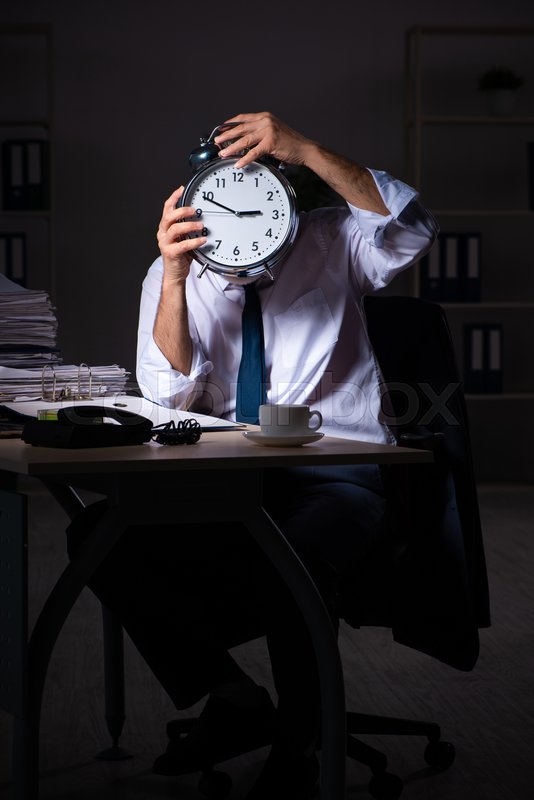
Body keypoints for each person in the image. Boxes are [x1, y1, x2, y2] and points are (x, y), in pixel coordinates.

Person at [68, 112, 438, 800]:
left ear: (287, 190)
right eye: (223, 192)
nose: (240, 206)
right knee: (97, 536)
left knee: (285, 556)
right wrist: (176, 278)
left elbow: (411, 225)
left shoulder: (337, 242)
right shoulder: (170, 270)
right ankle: (234, 698)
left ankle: (301, 745)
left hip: (340, 477)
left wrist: (302, 145)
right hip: (232, 480)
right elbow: (168, 393)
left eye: (259, 186)